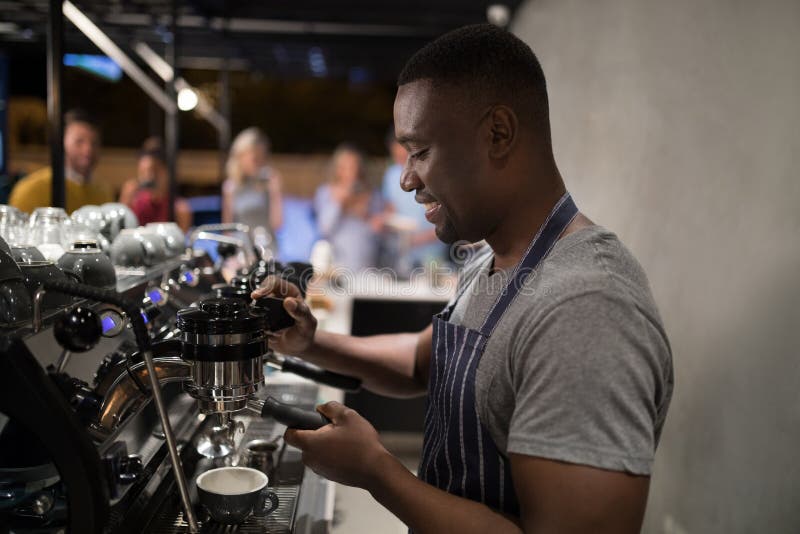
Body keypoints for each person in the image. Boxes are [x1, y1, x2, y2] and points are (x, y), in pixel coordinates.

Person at [255, 24, 673, 533]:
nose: (407, 179)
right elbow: (420, 363)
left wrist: (377, 472)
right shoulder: (491, 258)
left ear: (498, 133)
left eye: (421, 151)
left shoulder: (587, 308)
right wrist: (312, 343)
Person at [10, 109, 112, 213]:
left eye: (94, 143)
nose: (88, 149)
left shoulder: (103, 190)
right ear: (60, 143)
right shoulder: (32, 189)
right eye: (79, 141)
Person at [380, 127, 446, 273]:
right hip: (405, 256)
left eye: (403, 158)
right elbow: (390, 208)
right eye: (396, 158)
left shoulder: (431, 174)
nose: (401, 167)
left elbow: (447, 218)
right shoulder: (391, 175)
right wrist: (383, 220)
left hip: (433, 255)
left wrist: (418, 240)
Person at [313, 143, 383, 272]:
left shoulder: (372, 195)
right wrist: (339, 202)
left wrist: (365, 213)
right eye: (345, 167)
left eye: (354, 167)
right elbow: (324, 229)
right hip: (336, 268)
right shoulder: (326, 193)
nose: (351, 172)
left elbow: (377, 233)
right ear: (337, 169)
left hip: (367, 266)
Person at [222, 128, 283, 255]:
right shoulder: (230, 187)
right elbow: (227, 229)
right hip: (242, 249)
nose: (255, 161)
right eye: (251, 156)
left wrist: (275, 193)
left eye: (259, 156)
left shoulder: (268, 182)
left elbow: (277, 224)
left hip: (266, 247)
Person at [119, 139, 192, 231]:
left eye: (154, 171)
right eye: (143, 172)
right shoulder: (133, 198)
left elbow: (180, 241)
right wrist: (126, 202)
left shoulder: (179, 208)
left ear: (168, 172)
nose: (148, 177)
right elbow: (120, 230)